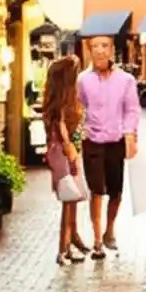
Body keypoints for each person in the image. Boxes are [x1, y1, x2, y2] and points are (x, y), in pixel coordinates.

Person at [77, 35, 139, 260]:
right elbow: (79, 105)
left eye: (104, 46)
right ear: (89, 51)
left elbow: (132, 109)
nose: (100, 51)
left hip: (116, 141)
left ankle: (109, 229)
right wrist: (80, 128)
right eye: (95, 47)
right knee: (96, 191)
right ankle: (96, 241)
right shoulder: (83, 80)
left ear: (112, 50)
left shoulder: (126, 80)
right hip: (92, 141)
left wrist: (130, 135)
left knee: (116, 192)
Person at [42, 55, 90, 265]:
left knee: (72, 198)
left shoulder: (64, 98)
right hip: (63, 150)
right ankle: (63, 249)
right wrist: (70, 146)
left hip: (66, 150)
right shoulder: (63, 102)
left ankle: (70, 243)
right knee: (69, 199)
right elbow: (61, 126)